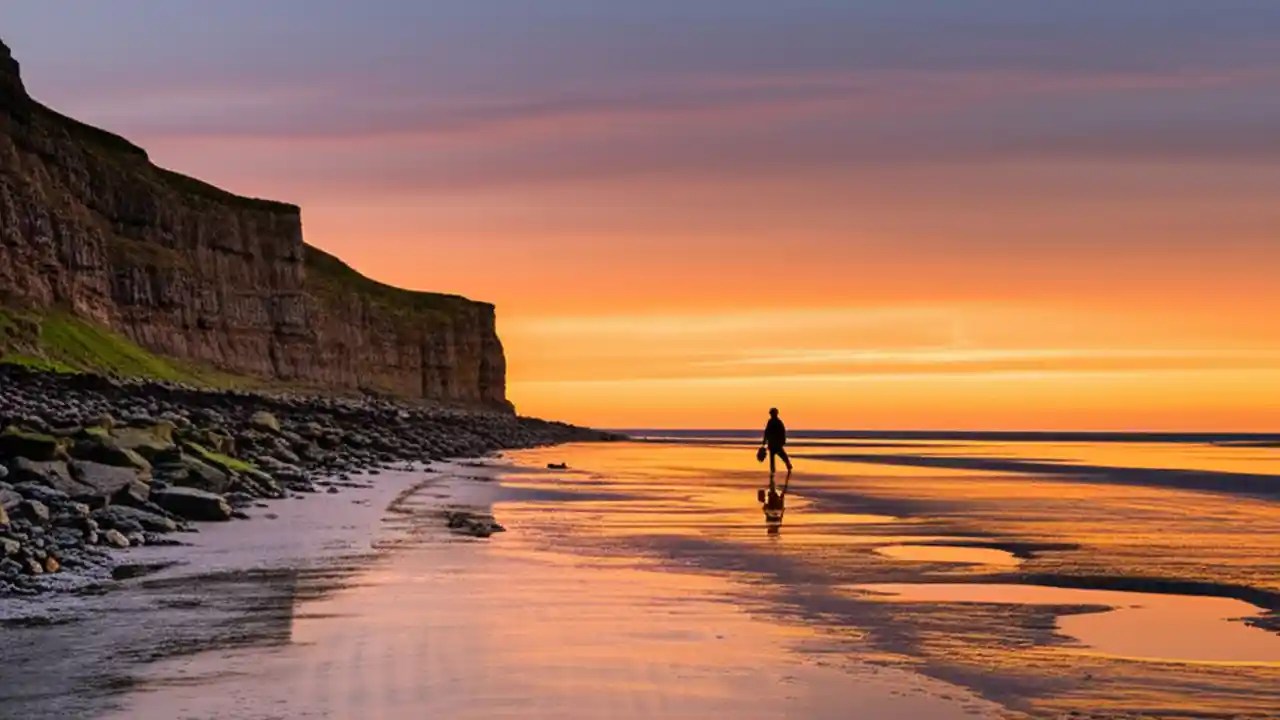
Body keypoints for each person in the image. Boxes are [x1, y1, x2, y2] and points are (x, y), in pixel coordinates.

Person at [760, 407, 792, 477]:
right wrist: (765, 440)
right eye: (771, 413)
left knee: (782, 455)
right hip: (772, 443)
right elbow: (767, 432)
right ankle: (773, 470)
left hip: (776, 443)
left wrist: (782, 440)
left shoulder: (777, 422)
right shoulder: (771, 421)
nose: (771, 415)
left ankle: (787, 465)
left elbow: (782, 432)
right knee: (774, 457)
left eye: (772, 413)